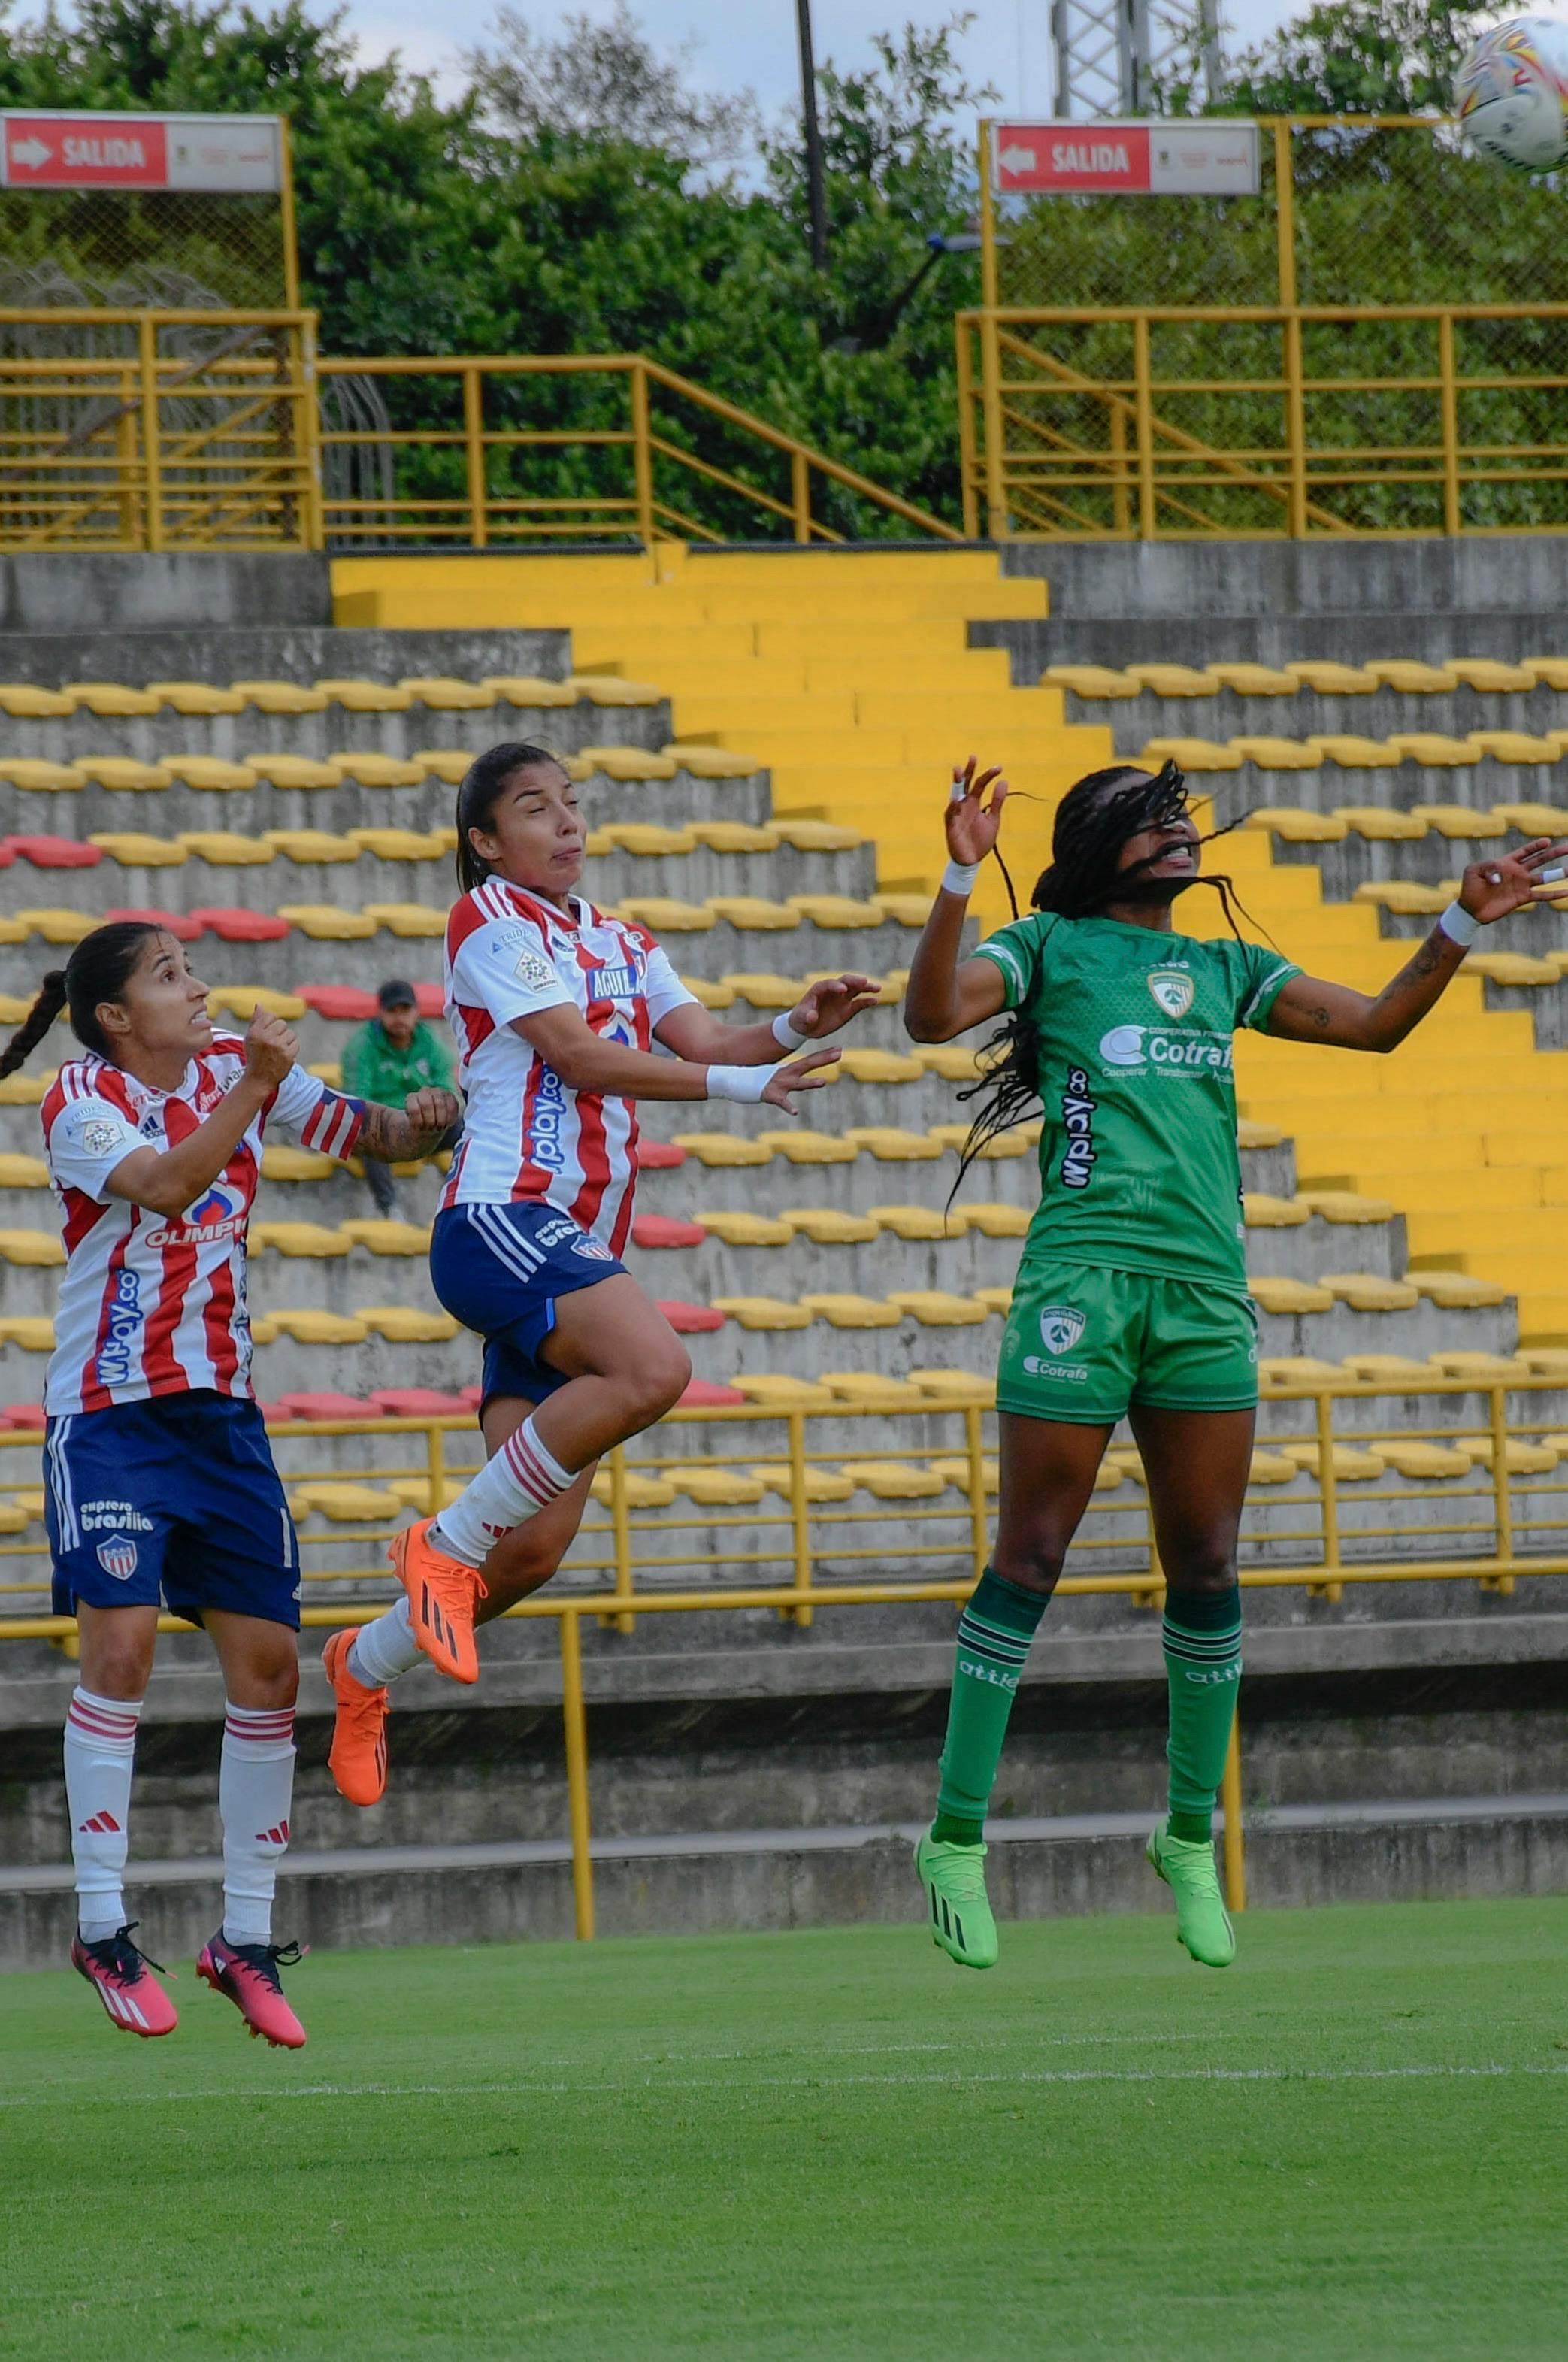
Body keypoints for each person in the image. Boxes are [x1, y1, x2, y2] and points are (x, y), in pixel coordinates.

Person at [905, 753, 1568, 1972]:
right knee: (1031, 1554)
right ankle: (954, 1837)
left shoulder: (1226, 967)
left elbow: (1372, 1025)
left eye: (1181, 819)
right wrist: (959, 869)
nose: (1179, 833)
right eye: (1154, 821)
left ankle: (1189, 1836)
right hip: (1082, 1280)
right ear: (1101, 844)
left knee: (1206, 1561)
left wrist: (1462, 921)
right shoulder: (1044, 943)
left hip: (1206, 1290)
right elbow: (932, 1014)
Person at [322, 740, 880, 1806]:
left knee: (528, 1555)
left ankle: (364, 1664)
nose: (567, 822)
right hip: (502, 1220)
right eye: (536, 808)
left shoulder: (620, 938)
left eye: (572, 804)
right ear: (486, 843)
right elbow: (579, 1058)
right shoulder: (489, 918)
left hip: (572, 1253)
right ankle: (434, 1547)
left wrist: (791, 1026)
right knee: (654, 1369)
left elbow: (707, 1032)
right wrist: (735, 1085)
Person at [8, 920, 460, 2043]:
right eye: (169, 976)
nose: (198, 986)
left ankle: (243, 1941)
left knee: (267, 1673)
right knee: (120, 1649)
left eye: (191, 968)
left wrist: (425, 1125)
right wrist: (256, 1083)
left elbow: (369, 1129)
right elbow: (165, 1185)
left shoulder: (232, 1072)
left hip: (223, 1423)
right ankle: (104, 1926)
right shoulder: (80, 1095)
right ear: (116, 1017)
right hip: (110, 1417)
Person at [341, 980, 459, 1216]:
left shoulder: (430, 1042)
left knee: (467, 1131)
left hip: (423, 1124)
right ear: (380, 1013)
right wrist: (392, 1120)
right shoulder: (361, 1046)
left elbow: (447, 1091)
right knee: (367, 1134)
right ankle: (390, 1209)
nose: (399, 1018)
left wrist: (431, 1117)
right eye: (392, 1011)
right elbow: (358, 1099)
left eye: (405, 1010)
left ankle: (465, 1198)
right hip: (383, 1123)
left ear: (416, 1012)